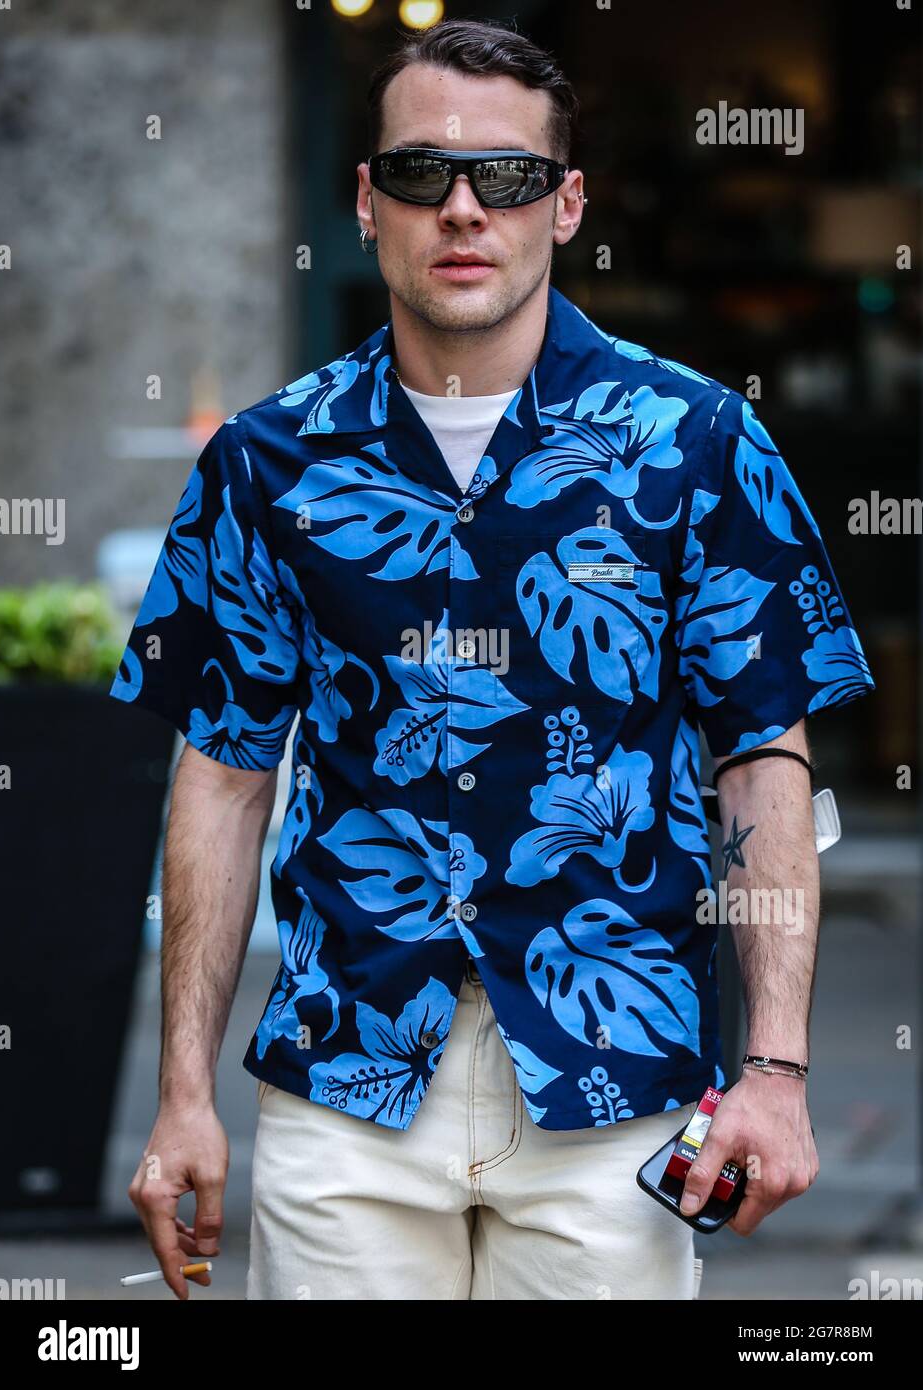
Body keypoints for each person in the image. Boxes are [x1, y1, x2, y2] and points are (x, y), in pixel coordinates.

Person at [111, 18, 875, 1301]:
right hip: (347, 1075)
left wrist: (774, 1072)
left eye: (506, 176)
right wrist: (182, 1094)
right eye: (422, 172)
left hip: (614, 1078)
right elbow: (225, 775)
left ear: (564, 204)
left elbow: (760, 758)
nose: (462, 209)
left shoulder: (694, 441)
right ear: (367, 201)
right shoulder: (264, 461)